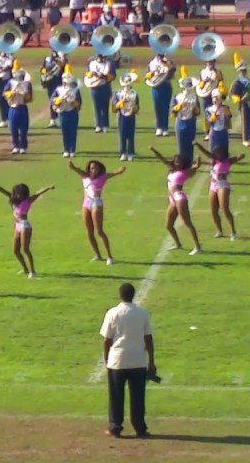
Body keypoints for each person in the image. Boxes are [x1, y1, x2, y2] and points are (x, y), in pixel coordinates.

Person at [101, 283, 155, 439]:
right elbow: (148, 339)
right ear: (133, 295)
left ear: (120, 295)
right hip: (138, 360)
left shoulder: (112, 313)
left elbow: (107, 339)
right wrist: (151, 361)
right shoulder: (143, 314)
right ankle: (140, 428)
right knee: (138, 397)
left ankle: (115, 427)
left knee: (116, 396)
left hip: (117, 360)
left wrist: (106, 359)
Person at [0, 181, 54, 277]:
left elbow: (38, 193)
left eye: (19, 193)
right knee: (16, 251)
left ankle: (32, 271)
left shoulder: (28, 200)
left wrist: (48, 188)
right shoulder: (13, 199)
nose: (17, 194)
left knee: (25, 249)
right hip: (17, 226)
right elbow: (2, 190)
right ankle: (25, 269)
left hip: (25, 226)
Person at [150, 147, 204, 254]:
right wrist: (154, 150)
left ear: (182, 163)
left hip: (179, 197)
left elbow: (197, 166)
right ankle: (178, 244)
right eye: (175, 161)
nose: (176, 163)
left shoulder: (185, 172)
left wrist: (198, 159)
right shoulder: (172, 170)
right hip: (172, 200)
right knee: (168, 225)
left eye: (178, 161)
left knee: (187, 223)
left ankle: (197, 246)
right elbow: (162, 159)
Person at [71, 160, 126, 264]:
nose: (93, 170)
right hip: (85, 204)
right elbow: (75, 169)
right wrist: (72, 166)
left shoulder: (102, 177)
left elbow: (113, 173)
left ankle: (109, 256)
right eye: (91, 168)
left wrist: (120, 171)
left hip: (96, 203)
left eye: (96, 168)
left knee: (99, 231)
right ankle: (98, 255)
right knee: (89, 232)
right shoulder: (84, 177)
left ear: (99, 169)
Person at [194, 143, 244, 239]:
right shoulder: (213, 160)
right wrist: (197, 145)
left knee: (225, 209)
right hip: (213, 185)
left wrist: (238, 157)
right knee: (213, 211)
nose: (219, 155)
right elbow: (204, 151)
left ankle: (233, 232)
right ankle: (219, 231)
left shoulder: (227, 161)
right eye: (218, 153)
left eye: (221, 153)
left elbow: (241, 156)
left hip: (222, 184)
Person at [4, 61, 33, 153]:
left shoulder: (26, 84)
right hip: (13, 107)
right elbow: (4, 94)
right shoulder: (10, 82)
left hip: (22, 107)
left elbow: (30, 98)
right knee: (13, 129)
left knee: (24, 129)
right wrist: (11, 93)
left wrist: (24, 94)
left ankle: (23, 147)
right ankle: (15, 146)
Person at [53, 66, 82, 158]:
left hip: (72, 112)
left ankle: (72, 150)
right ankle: (66, 150)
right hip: (62, 112)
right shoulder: (58, 90)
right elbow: (52, 101)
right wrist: (59, 100)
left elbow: (79, 104)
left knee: (73, 131)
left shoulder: (75, 90)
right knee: (65, 132)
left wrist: (72, 101)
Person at [113, 72, 139, 160]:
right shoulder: (117, 94)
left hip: (131, 116)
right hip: (121, 116)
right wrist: (120, 103)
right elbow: (114, 108)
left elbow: (137, 108)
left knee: (131, 135)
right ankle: (123, 152)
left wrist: (133, 105)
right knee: (122, 134)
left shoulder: (134, 94)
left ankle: (131, 153)